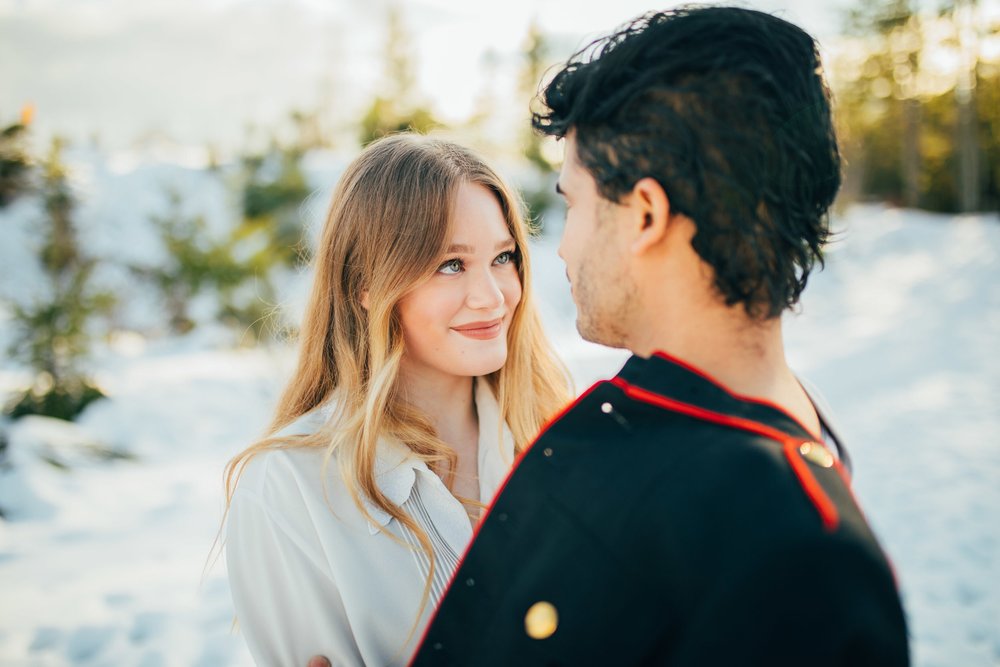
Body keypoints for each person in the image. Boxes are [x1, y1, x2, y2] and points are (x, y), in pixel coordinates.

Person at [401, 7, 909, 666]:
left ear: (645, 214)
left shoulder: (799, 552)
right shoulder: (690, 439)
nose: (562, 250)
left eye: (573, 204)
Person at [223, 134, 571, 666]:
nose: (493, 296)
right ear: (366, 283)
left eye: (503, 257)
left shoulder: (556, 440)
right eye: (451, 264)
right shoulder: (290, 484)